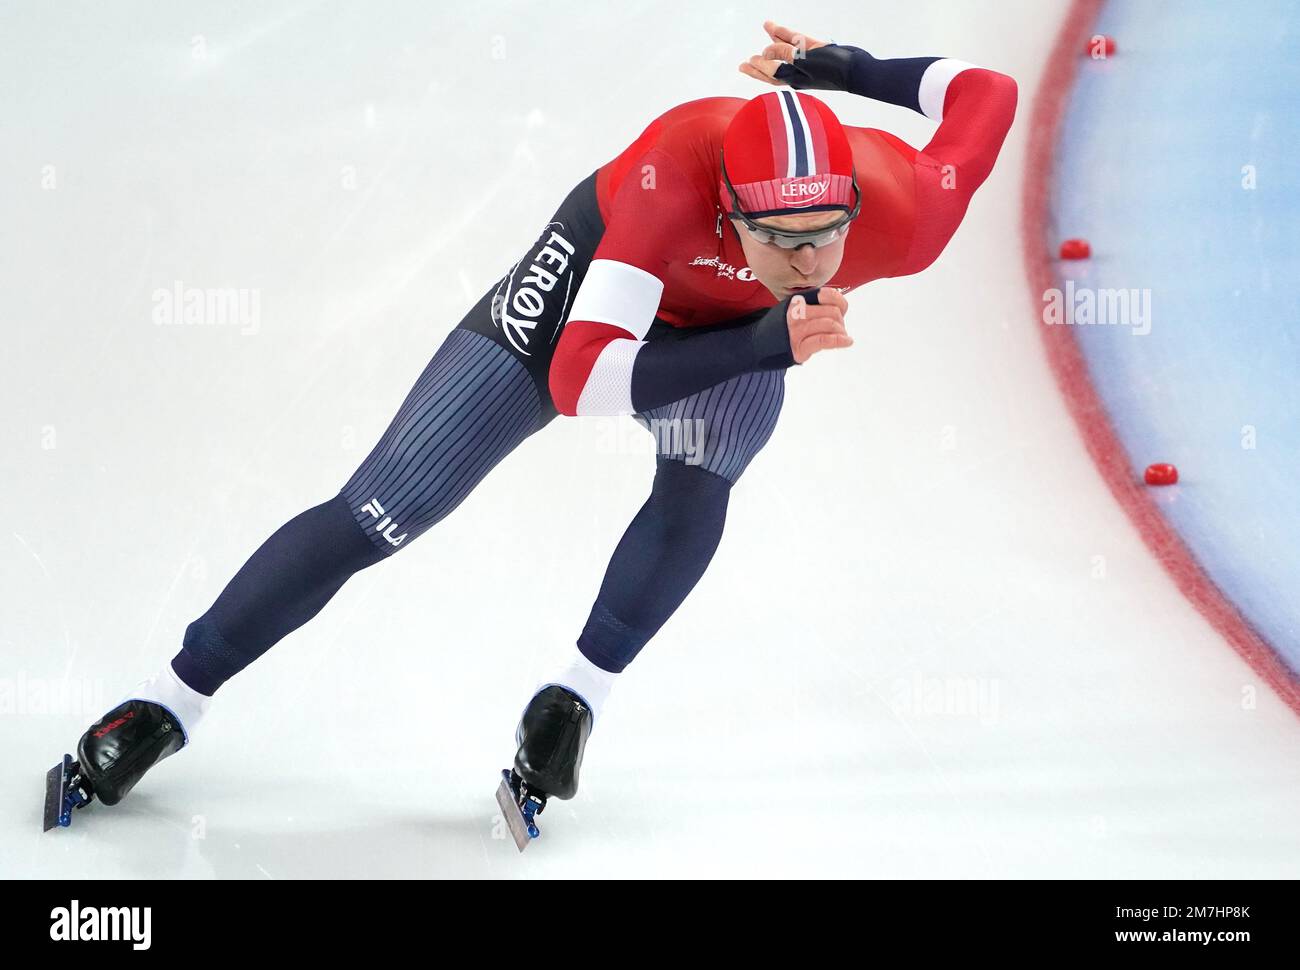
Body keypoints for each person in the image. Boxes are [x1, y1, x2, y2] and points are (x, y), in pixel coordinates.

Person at [53, 22, 1017, 840]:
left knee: (699, 477)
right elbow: (579, 379)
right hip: (580, 307)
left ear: (858, 203)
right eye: (780, 240)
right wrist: (767, 339)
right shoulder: (667, 178)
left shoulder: (912, 210)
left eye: (827, 235)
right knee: (384, 510)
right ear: (729, 208)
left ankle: (576, 698)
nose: (808, 263)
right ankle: (171, 701)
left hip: (725, 333)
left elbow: (987, 90)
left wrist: (848, 70)